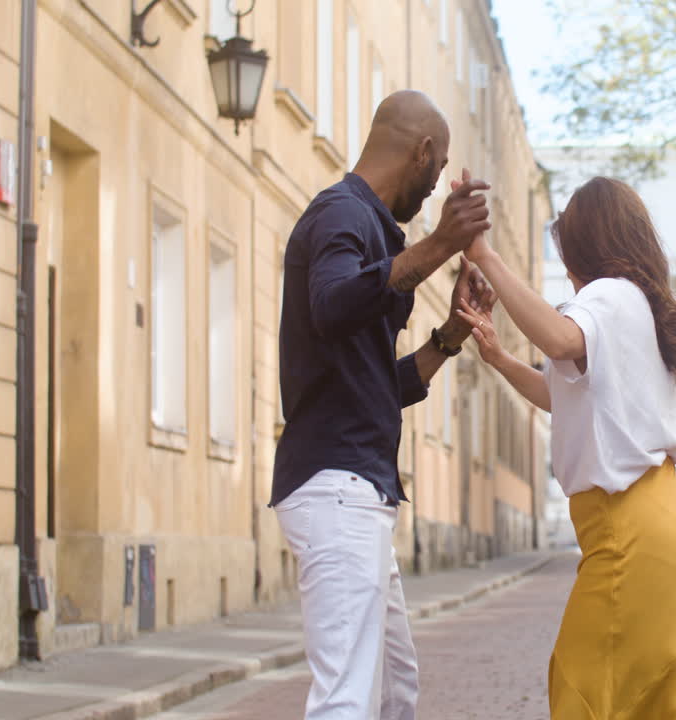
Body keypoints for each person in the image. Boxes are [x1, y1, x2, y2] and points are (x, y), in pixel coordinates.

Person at [272, 90, 495, 720]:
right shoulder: (341, 214)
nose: (434, 189)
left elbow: (375, 386)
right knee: (346, 698)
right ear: (422, 152)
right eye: (438, 167)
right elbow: (333, 304)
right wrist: (440, 244)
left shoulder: (369, 225)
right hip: (337, 490)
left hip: (356, 490)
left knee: (395, 688)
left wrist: (449, 337)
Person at [455, 176, 676, 718]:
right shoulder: (635, 308)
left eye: (564, 249)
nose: (565, 267)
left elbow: (559, 339)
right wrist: (499, 357)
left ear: (584, 247)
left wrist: (485, 256)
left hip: (628, 536)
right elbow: (560, 395)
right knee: (647, 703)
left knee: (584, 691)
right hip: (657, 526)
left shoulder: (610, 295)